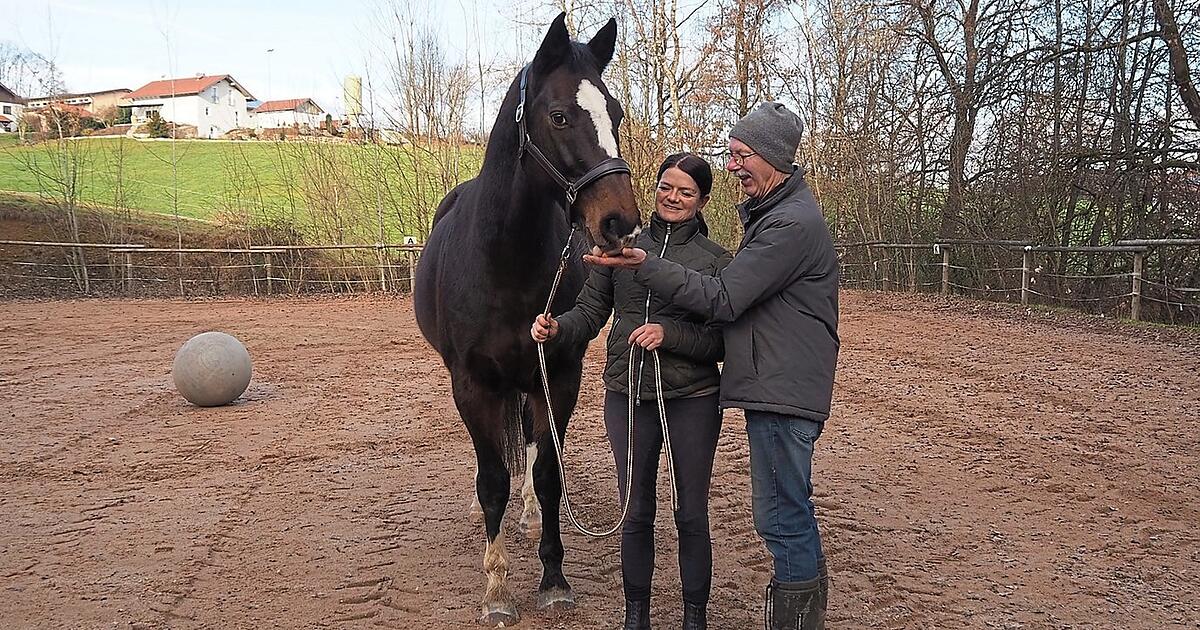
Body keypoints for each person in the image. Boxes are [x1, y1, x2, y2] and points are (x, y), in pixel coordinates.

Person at [583, 103, 839, 630]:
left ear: (772, 157)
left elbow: (724, 301)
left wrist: (648, 271)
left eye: (742, 154)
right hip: (756, 385)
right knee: (775, 513)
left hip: (776, 388)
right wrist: (555, 329)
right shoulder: (776, 216)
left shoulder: (786, 224)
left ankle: (793, 621)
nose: (733, 164)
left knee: (782, 517)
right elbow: (589, 309)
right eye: (730, 154)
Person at [531, 153, 732, 630]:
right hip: (627, 395)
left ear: (702, 200)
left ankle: (694, 618)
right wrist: (558, 328)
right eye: (666, 187)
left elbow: (723, 339)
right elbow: (591, 310)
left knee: (691, 514)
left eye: (686, 192)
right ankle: (635, 616)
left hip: (694, 399)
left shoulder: (717, 261)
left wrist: (671, 334)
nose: (673, 198)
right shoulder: (618, 248)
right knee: (635, 511)